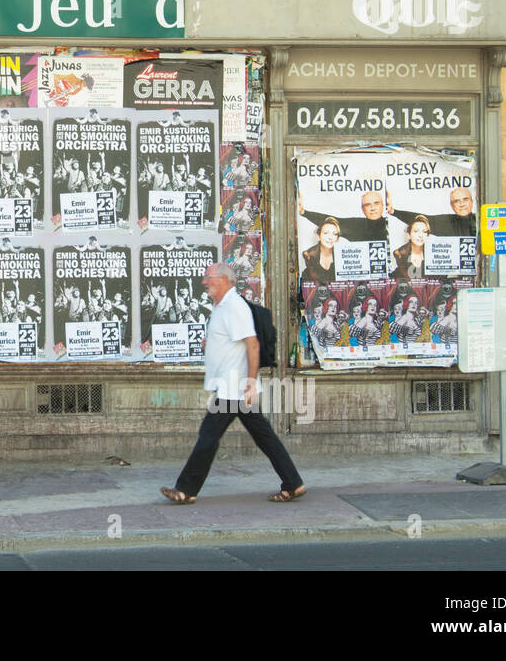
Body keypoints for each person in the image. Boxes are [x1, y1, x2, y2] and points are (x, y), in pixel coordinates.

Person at [161, 263, 306, 505]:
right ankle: (293, 483)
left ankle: (186, 489)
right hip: (232, 387)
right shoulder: (222, 306)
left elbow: (252, 344)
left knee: (208, 435)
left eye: (208, 277)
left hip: (234, 388)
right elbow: (232, 342)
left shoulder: (234, 306)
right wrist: (212, 345)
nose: (204, 282)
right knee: (264, 436)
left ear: (224, 279)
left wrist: (250, 382)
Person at [298, 189, 390, 244]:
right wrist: (305, 213)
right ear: (362, 209)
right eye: (367, 205)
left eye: (376, 203)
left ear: (383, 205)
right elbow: (333, 221)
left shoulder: (390, 224)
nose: (372, 208)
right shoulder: (357, 225)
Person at [392, 186, 477, 238]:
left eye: (465, 199)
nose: (462, 204)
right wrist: (394, 212)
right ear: (451, 205)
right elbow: (423, 219)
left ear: (472, 202)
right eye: (457, 201)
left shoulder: (482, 220)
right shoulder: (447, 222)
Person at [300, 217, 341, 283]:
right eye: (326, 233)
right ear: (318, 236)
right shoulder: (309, 255)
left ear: (337, 238)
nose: (330, 237)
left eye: (334, 234)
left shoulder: (341, 255)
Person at [391, 214, 431, 280]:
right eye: (416, 231)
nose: (420, 235)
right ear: (409, 234)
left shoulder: (433, 254)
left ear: (427, 235)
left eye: (424, 232)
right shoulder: (400, 254)